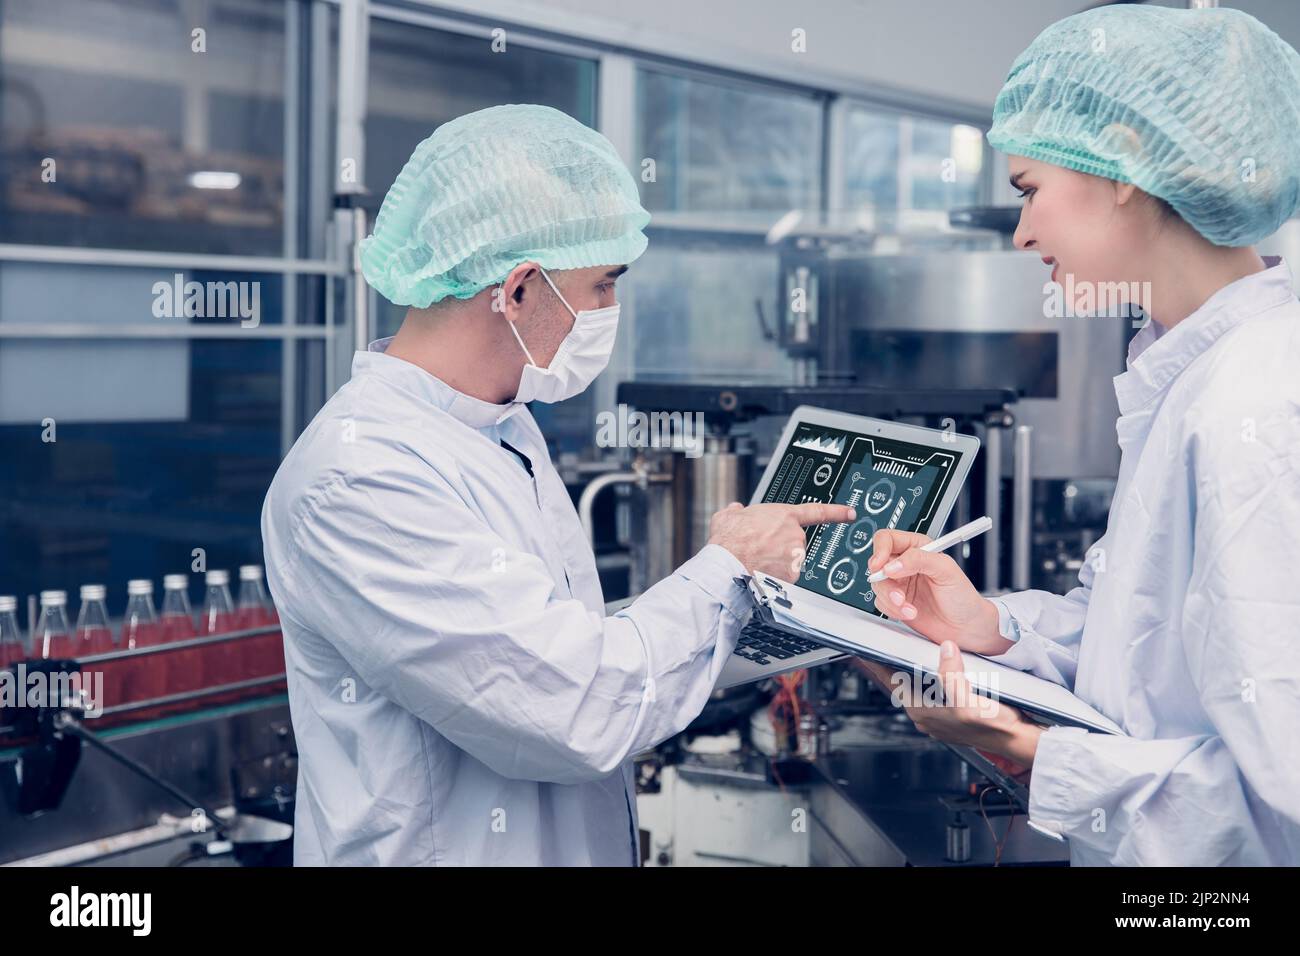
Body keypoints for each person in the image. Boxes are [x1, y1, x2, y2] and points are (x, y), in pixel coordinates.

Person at [260, 104, 853, 865]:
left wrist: (802, 618)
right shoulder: (358, 477)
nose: (612, 310)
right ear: (518, 289)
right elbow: (574, 711)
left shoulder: (502, 425)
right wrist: (727, 569)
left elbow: (555, 648)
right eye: (604, 284)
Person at [860, 5, 1300, 865]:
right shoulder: (1188, 375)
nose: (1021, 232)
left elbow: (1277, 807)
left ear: (1126, 163)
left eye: (1029, 190)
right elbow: (1144, 652)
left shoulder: (1254, 410)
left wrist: (1029, 752)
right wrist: (988, 628)